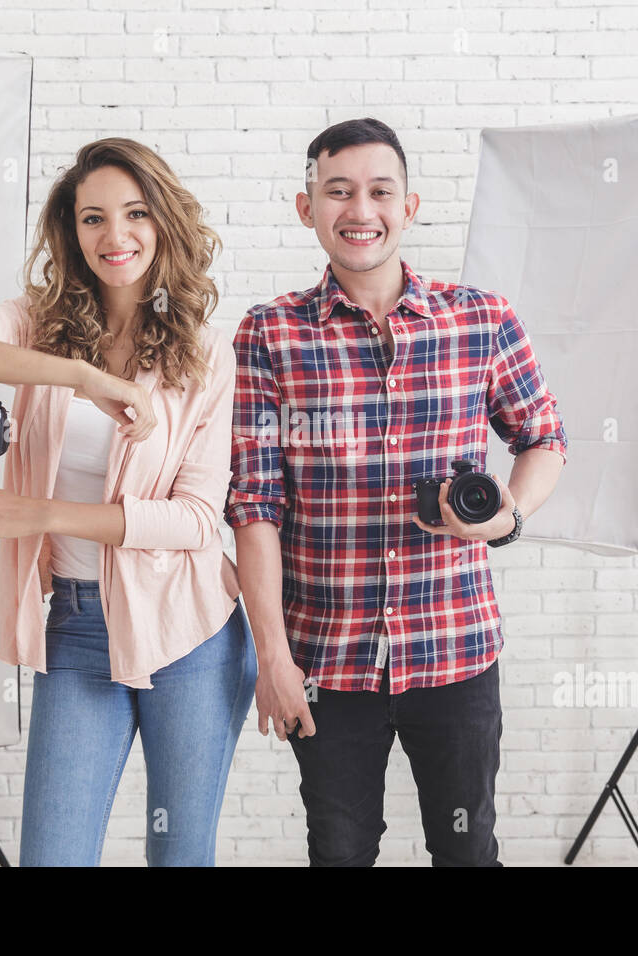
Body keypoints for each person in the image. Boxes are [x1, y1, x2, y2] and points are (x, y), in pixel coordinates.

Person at [0, 137, 256, 866]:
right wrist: (82, 376)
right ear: (71, 231)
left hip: (190, 635)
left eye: (134, 214)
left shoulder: (208, 352)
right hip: (75, 628)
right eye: (92, 218)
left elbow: (196, 521)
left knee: (180, 855)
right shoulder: (36, 321)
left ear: (163, 223)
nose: (115, 236)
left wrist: (41, 514)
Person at [225, 117, 567, 866]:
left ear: (409, 208)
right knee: (340, 852)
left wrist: (509, 512)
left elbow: (544, 437)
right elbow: (255, 506)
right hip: (326, 661)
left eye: (380, 192)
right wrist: (273, 661)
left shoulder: (481, 320)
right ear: (305, 206)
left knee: (467, 851)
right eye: (338, 191)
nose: (361, 210)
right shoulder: (269, 335)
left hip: (457, 650)